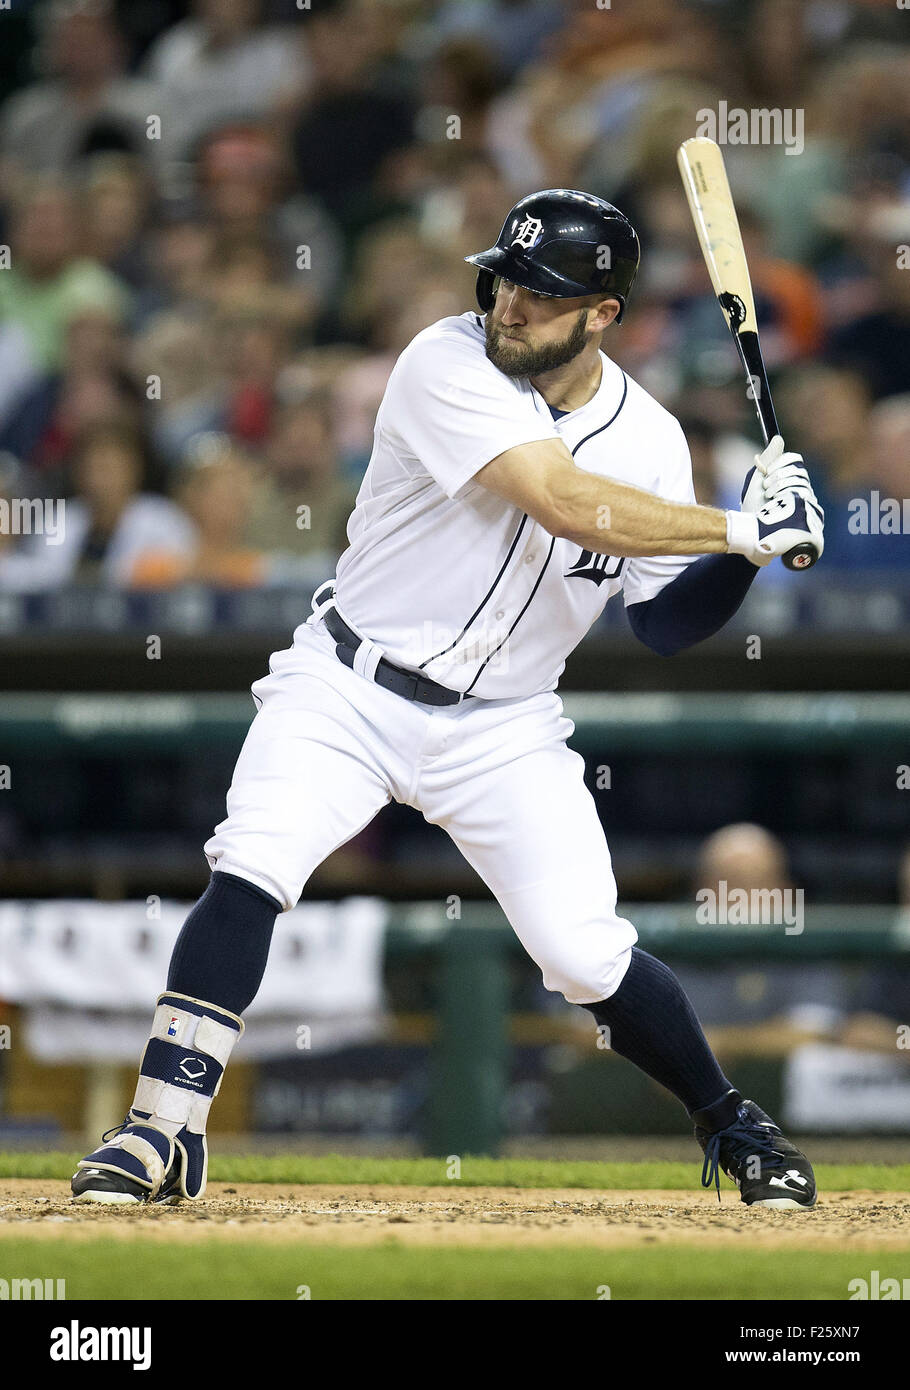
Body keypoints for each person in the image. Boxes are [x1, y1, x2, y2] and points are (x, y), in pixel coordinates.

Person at [71, 189, 823, 1210]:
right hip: (348, 681)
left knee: (581, 949)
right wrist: (735, 527)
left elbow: (662, 624)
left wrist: (755, 551)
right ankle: (161, 1129)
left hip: (506, 725)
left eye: (542, 293)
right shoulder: (442, 359)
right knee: (253, 861)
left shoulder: (647, 440)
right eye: (504, 279)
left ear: (603, 313)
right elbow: (559, 497)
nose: (509, 305)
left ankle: (733, 1124)